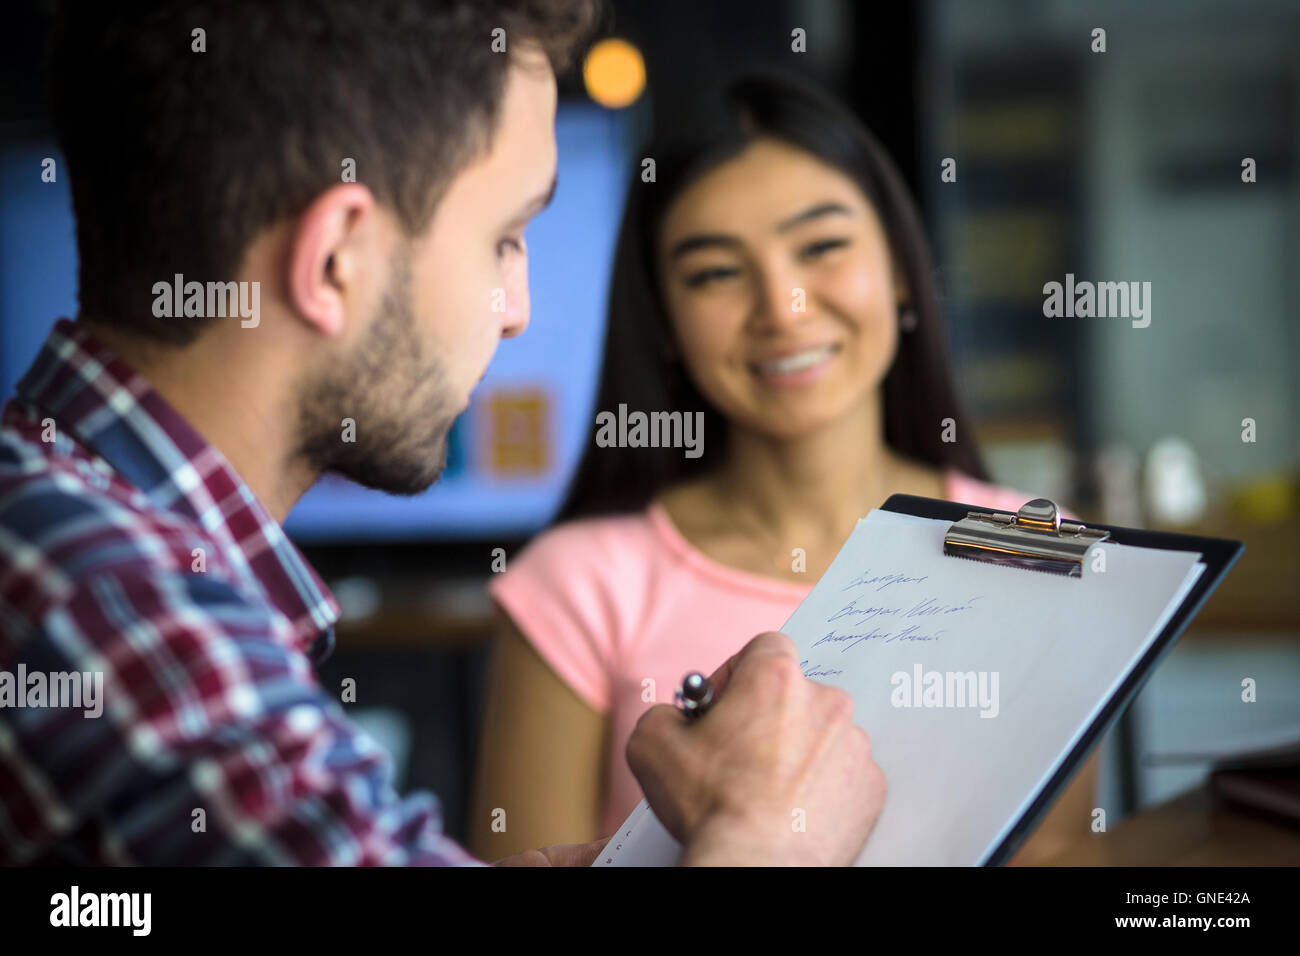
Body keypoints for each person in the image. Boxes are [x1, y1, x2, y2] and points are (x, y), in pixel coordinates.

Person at [0, 0, 884, 867]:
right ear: (336, 260)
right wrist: (773, 839)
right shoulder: (131, 625)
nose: (518, 311)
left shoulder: (64, 541)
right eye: (504, 238)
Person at [474, 72, 1098, 863]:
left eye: (823, 247)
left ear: (902, 269)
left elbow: (1061, 855)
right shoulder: (575, 587)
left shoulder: (1039, 550)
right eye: (716, 273)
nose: (784, 308)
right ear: (662, 322)